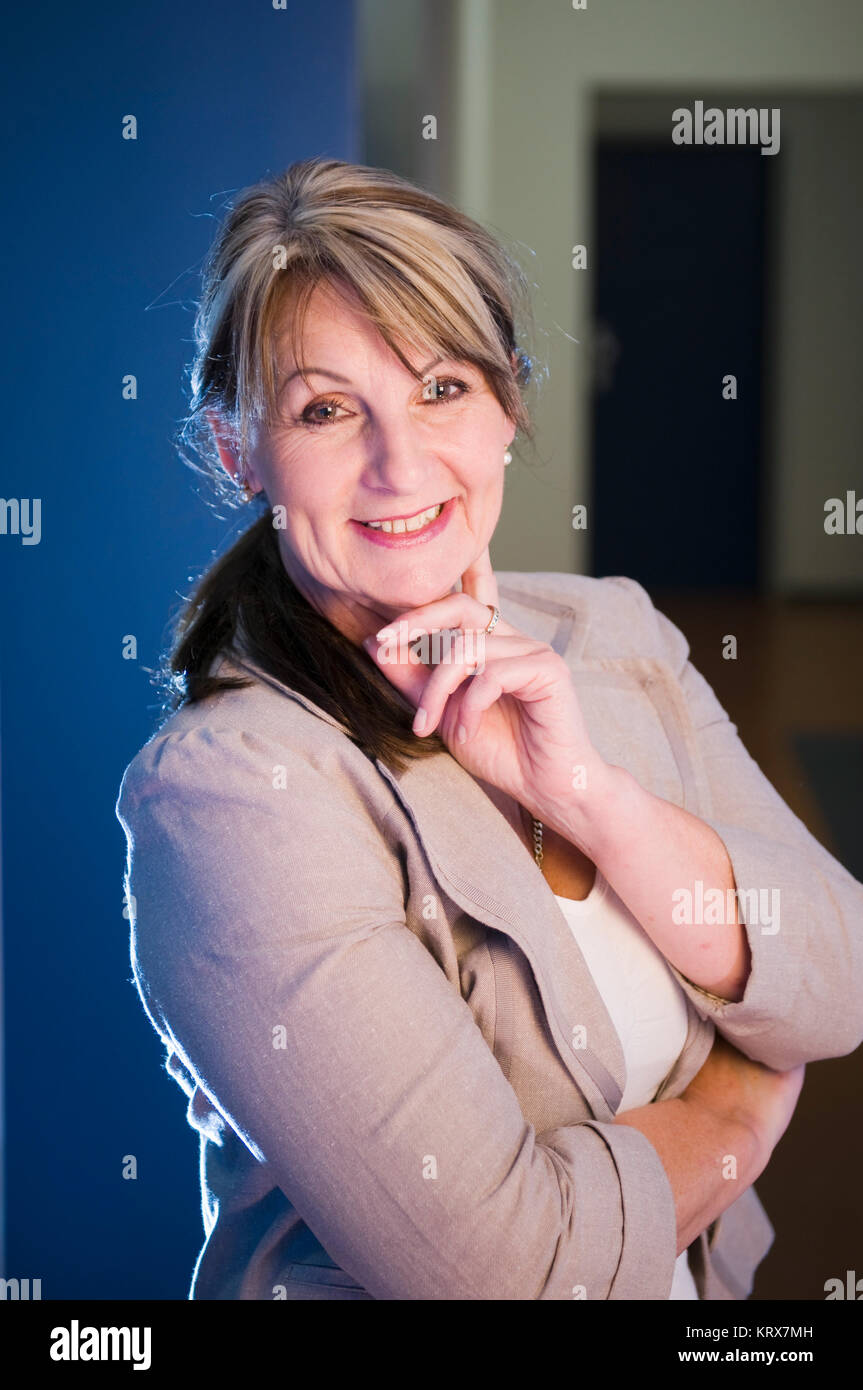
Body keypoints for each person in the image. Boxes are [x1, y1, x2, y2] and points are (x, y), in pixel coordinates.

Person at [115, 156, 862, 1301]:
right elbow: (512, 1273)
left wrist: (591, 801)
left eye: (442, 387)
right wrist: (735, 1108)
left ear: (509, 400)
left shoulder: (611, 629)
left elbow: (842, 973)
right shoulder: (232, 795)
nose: (399, 463)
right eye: (324, 409)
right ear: (238, 452)